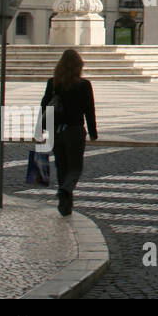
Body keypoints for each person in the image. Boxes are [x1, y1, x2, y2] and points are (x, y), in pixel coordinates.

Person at [39, 49, 98, 217]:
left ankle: (65, 205)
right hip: (75, 131)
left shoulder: (53, 83)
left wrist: (39, 128)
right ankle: (66, 190)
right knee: (75, 168)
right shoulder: (84, 85)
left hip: (56, 131)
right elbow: (89, 110)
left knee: (62, 166)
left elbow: (44, 106)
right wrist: (93, 131)